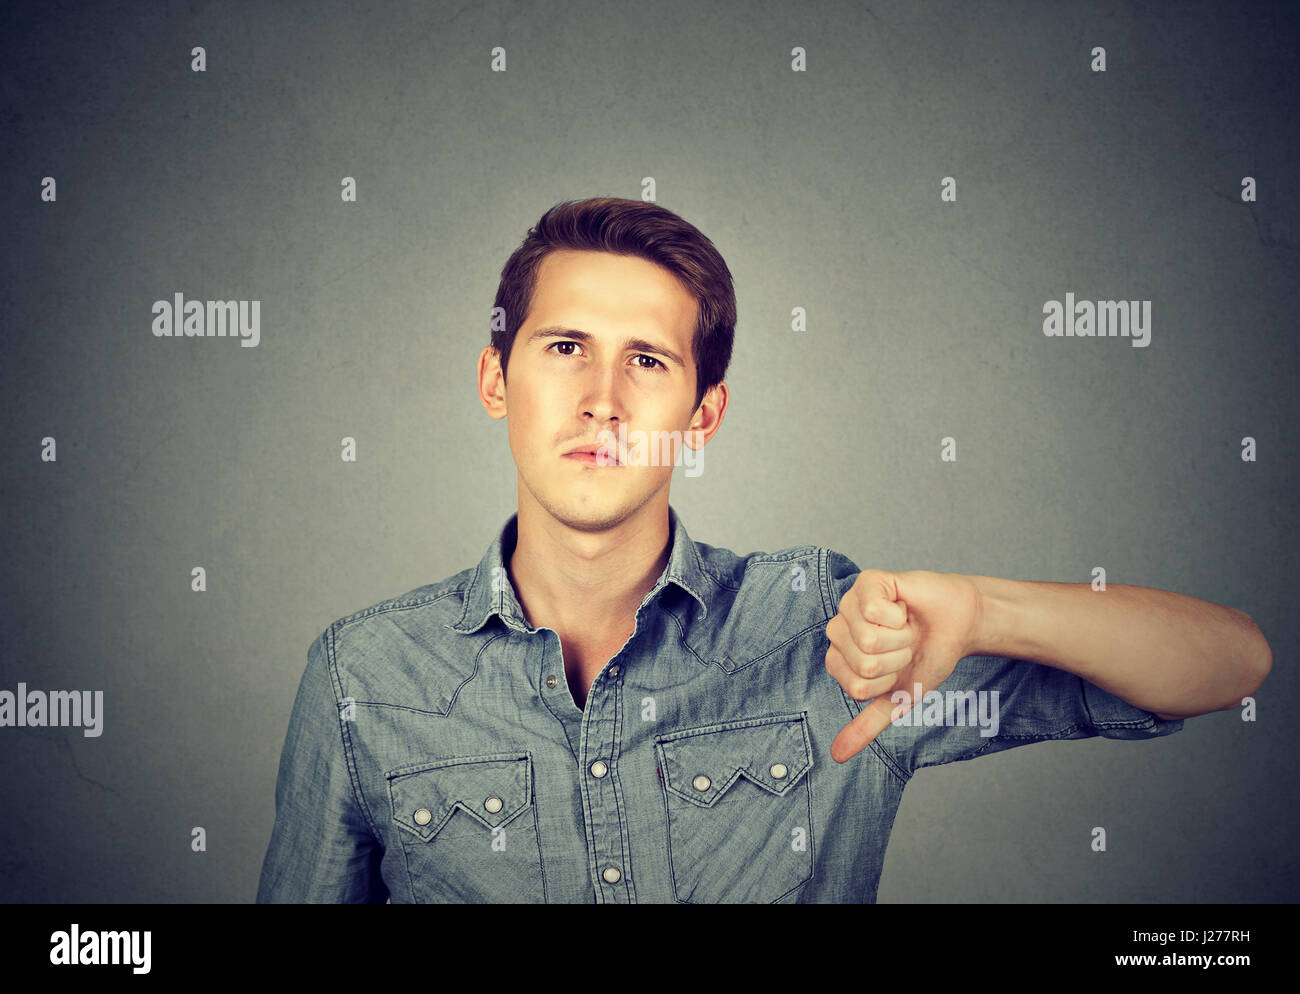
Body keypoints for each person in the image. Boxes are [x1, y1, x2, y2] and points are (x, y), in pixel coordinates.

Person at [256, 197, 1272, 903]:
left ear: (702, 415)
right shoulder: (363, 676)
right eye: (563, 347)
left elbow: (1228, 665)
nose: (600, 400)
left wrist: (985, 608)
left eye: (645, 361)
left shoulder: (835, 635)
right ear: (495, 379)